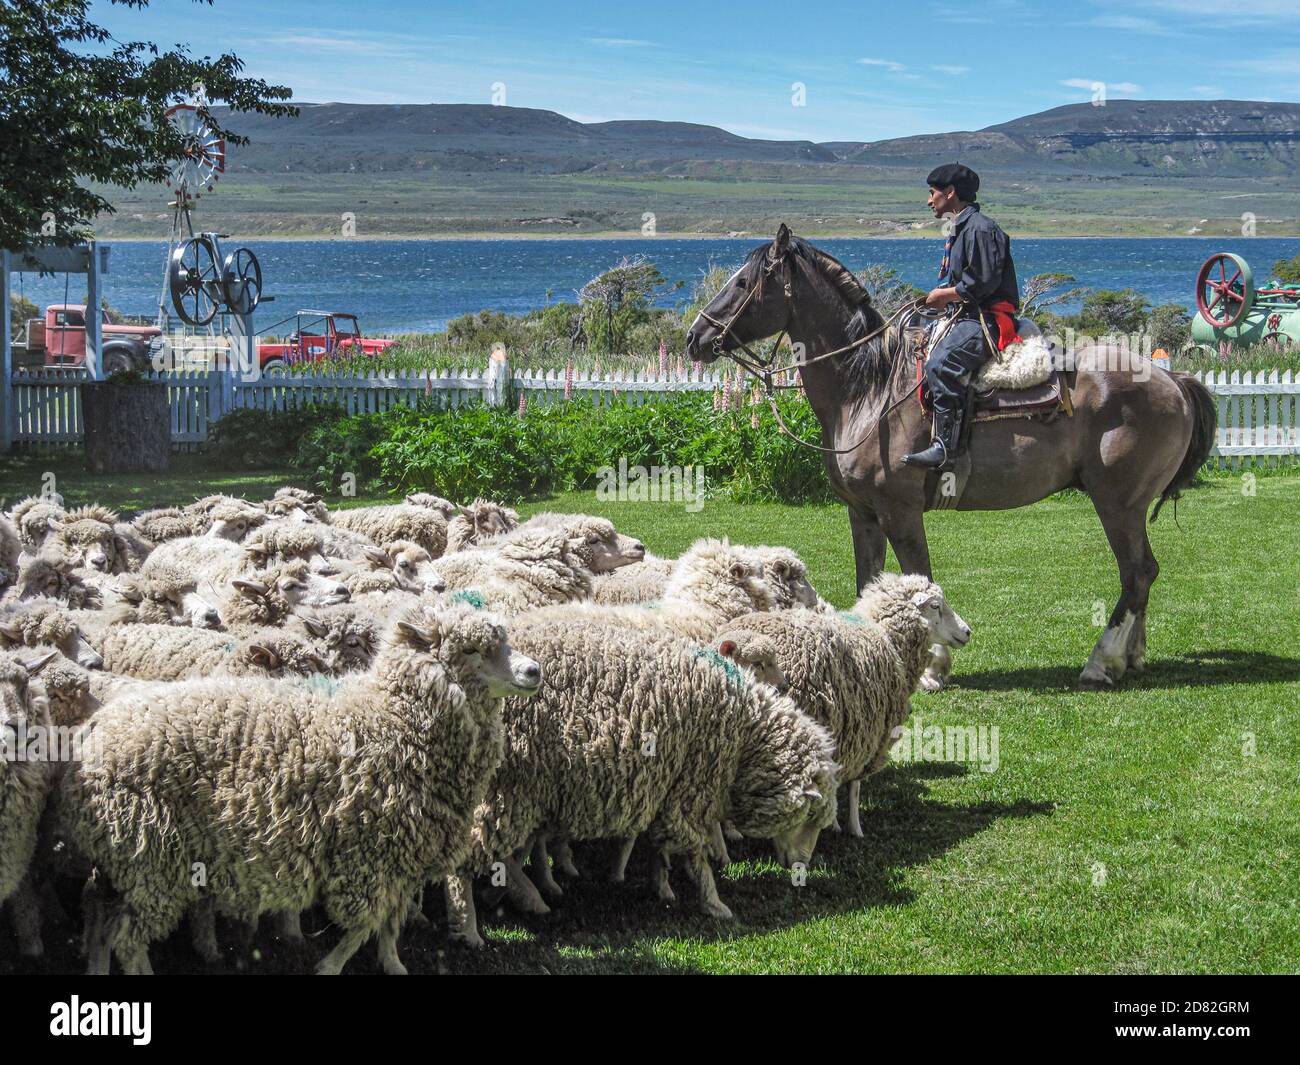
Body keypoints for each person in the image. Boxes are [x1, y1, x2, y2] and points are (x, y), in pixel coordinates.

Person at [902, 163, 1020, 470]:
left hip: (986, 321)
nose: (929, 201)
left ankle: (946, 447)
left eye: (932, 193)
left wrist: (945, 296)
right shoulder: (963, 227)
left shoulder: (980, 228)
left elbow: (983, 281)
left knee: (941, 364)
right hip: (967, 316)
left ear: (951, 193)